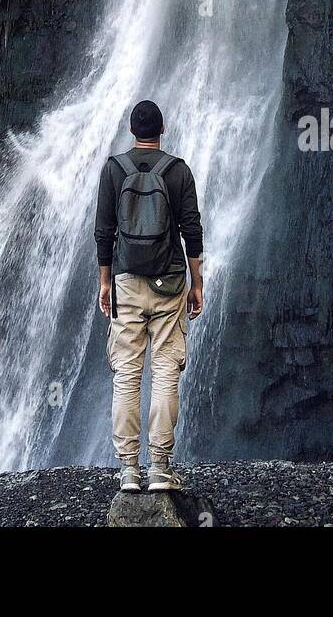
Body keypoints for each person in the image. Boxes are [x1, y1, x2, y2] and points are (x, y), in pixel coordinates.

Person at [94, 99, 203, 493]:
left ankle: (128, 469)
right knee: (166, 370)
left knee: (126, 374)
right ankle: (159, 466)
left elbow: (104, 230)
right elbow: (193, 229)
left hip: (125, 279)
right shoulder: (177, 171)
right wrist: (198, 282)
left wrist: (105, 282)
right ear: (163, 130)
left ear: (131, 131)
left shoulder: (113, 169)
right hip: (170, 282)